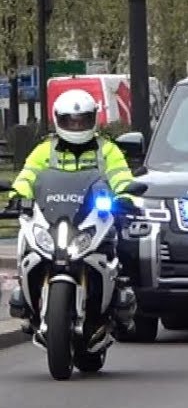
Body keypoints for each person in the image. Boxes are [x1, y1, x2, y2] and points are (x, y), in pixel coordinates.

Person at [7, 89, 139, 333]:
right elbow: (28, 174)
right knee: (27, 242)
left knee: (124, 244)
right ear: (59, 120)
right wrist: (18, 196)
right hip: (54, 215)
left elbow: (121, 176)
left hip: (93, 216)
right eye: (71, 121)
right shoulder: (45, 149)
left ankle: (122, 297)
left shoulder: (106, 149)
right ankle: (27, 300)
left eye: (82, 120)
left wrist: (126, 197)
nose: (77, 126)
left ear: (93, 119)